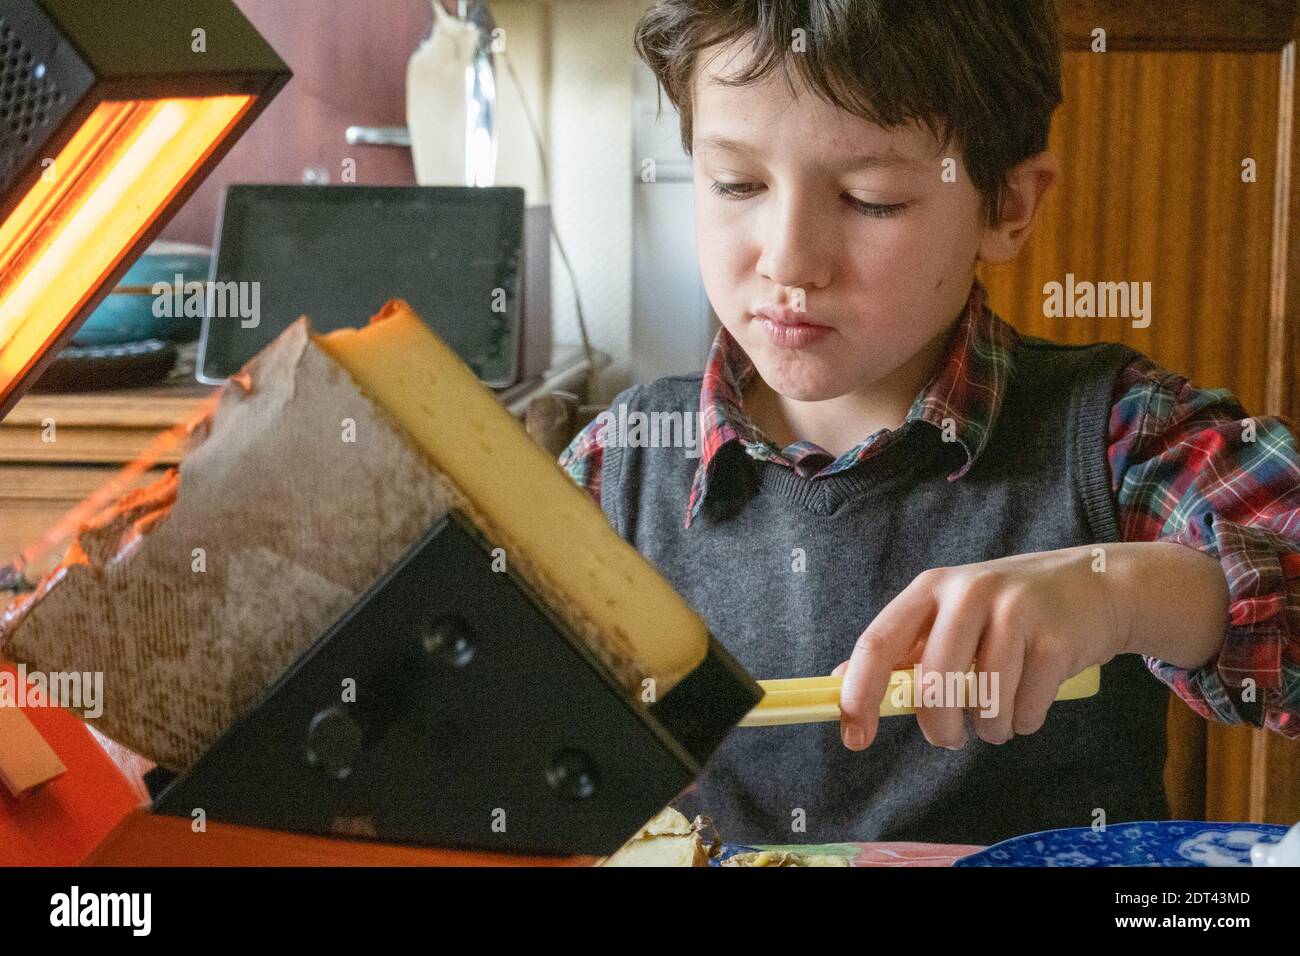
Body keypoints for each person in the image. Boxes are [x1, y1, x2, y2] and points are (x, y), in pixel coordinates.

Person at [559, 0, 1300, 845]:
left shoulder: (1119, 436)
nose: (790, 261)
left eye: (871, 200)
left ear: (1007, 207)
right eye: (737, 184)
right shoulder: (618, 468)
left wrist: (1123, 593)